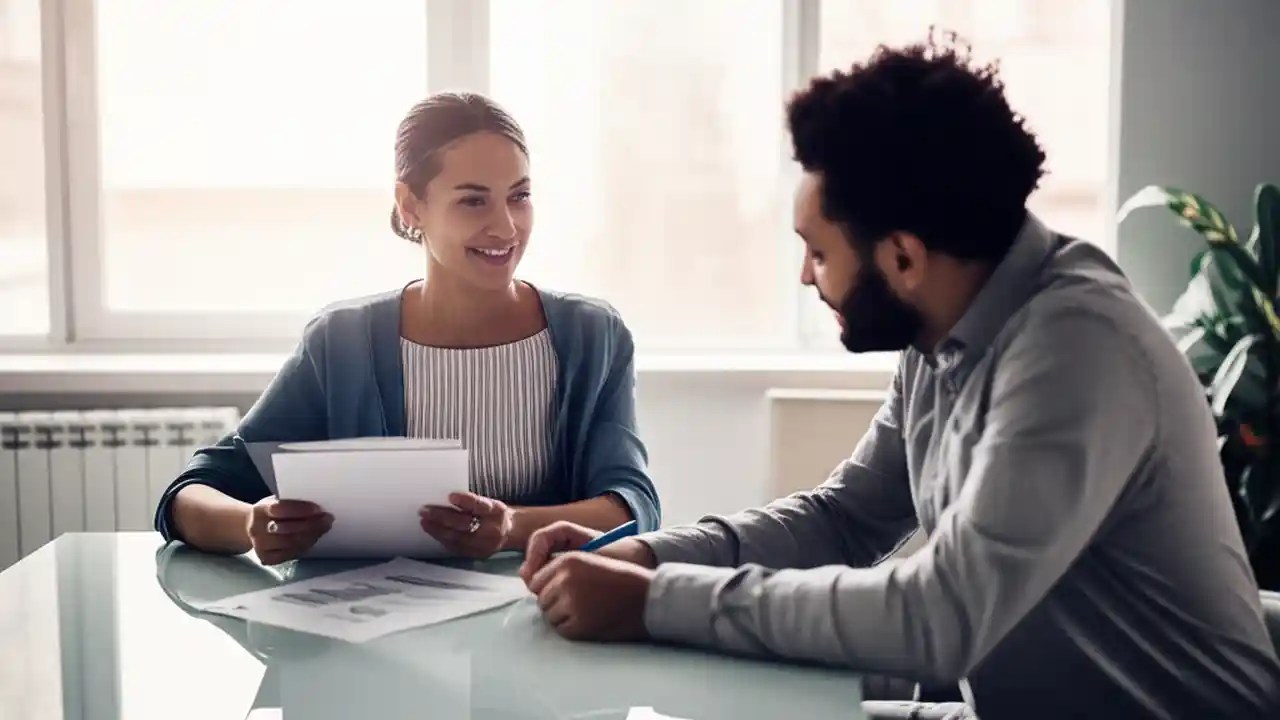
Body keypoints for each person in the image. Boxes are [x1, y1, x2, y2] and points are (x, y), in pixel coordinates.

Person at [516, 36, 1280, 719]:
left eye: (818, 253)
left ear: (904, 258)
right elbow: (846, 518)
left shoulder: (1077, 349)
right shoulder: (943, 332)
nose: (806, 278)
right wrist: (649, 556)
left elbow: (940, 618)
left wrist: (653, 602)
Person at [154, 92, 660, 565]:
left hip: (542, 619)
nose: (506, 227)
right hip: (380, 634)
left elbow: (632, 506)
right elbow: (190, 494)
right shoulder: (342, 343)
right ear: (411, 204)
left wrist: (510, 527)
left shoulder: (592, 337)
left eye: (519, 196)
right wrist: (250, 524)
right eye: (473, 200)